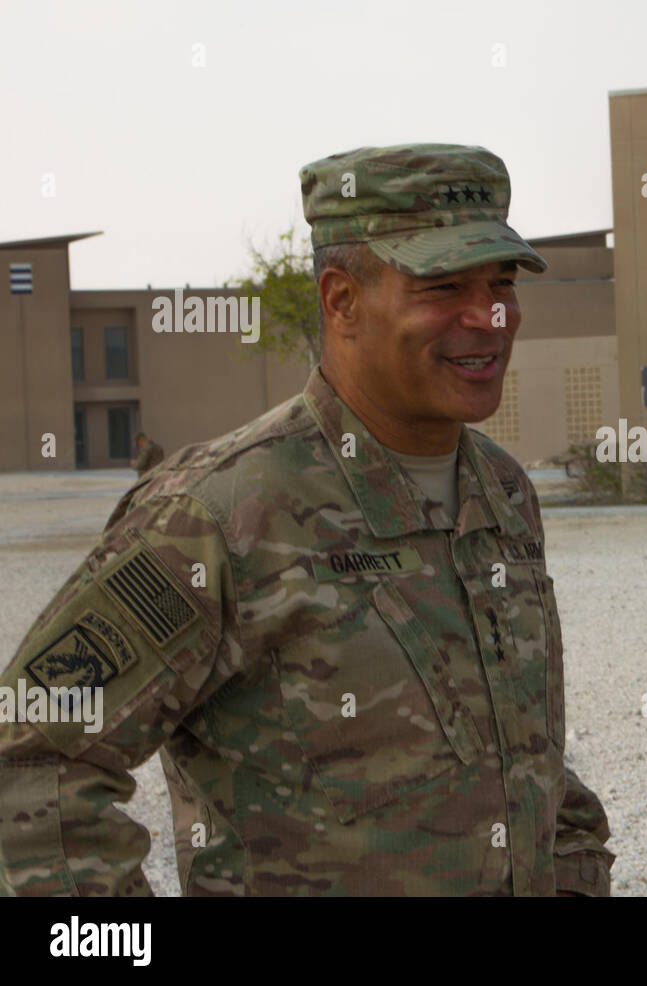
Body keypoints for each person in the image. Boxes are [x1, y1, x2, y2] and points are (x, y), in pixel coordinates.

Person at [0, 144, 614, 896]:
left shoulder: (502, 490)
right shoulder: (219, 513)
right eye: (444, 285)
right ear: (342, 299)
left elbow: (523, 743)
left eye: (502, 283)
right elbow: (32, 762)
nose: (488, 316)